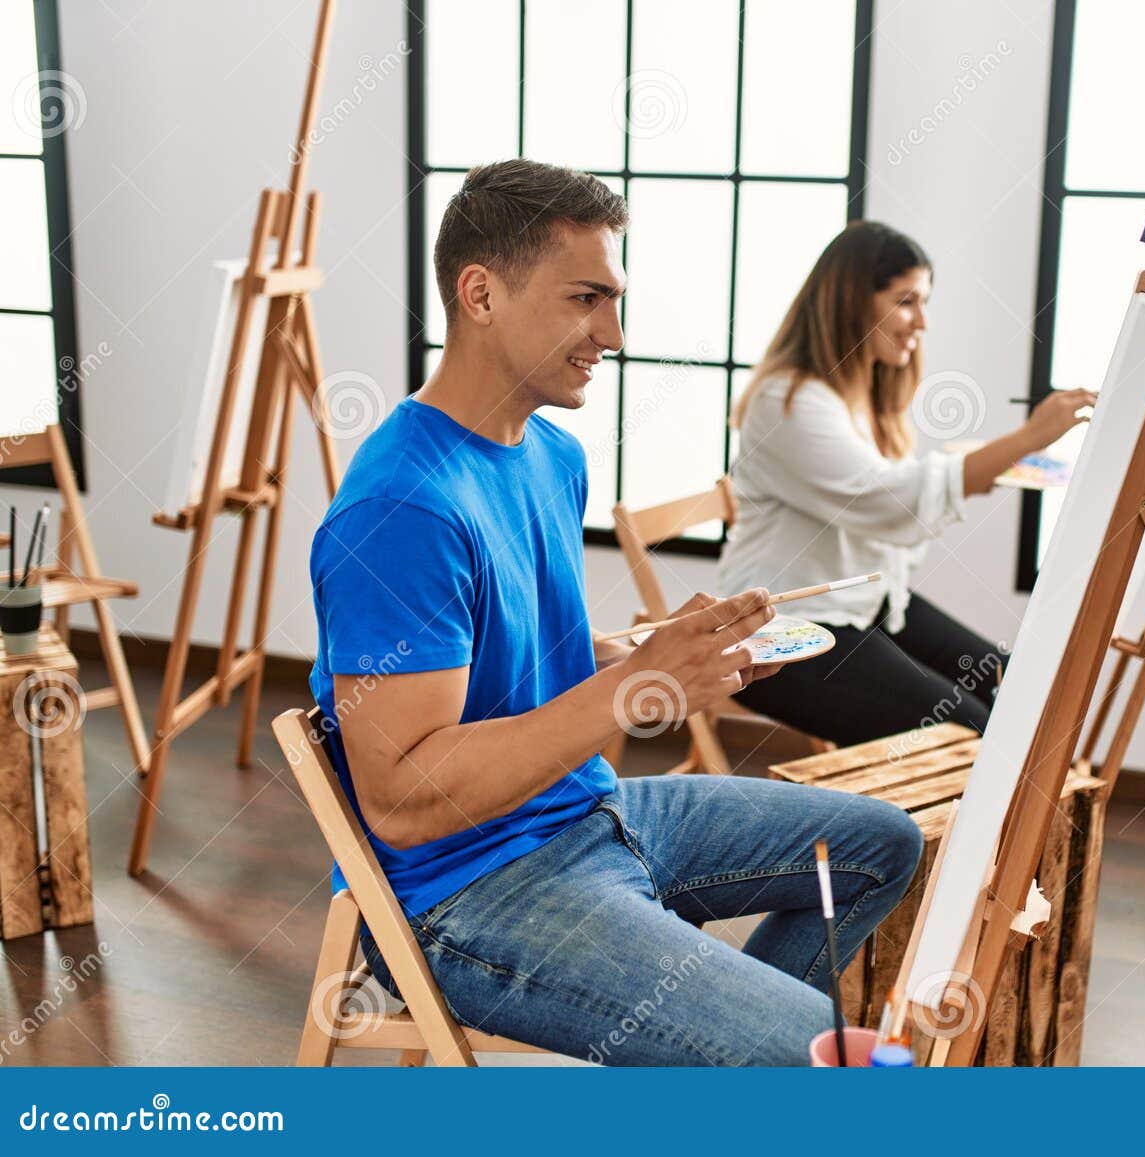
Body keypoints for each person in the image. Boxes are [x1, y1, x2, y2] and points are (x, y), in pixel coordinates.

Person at [307, 160, 922, 1066]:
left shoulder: (551, 454)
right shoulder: (402, 508)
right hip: (470, 891)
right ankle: (766, 1058)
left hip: (585, 810)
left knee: (881, 842)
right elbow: (402, 800)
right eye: (586, 299)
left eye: (615, 298)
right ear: (480, 293)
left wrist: (650, 656)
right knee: (820, 1060)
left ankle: (732, 1057)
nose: (616, 334)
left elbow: (515, 670)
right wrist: (634, 687)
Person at [719, 221, 1094, 747]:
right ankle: (919, 828)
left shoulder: (859, 397)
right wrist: (1028, 439)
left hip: (868, 607)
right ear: (853, 301)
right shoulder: (788, 403)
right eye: (906, 301)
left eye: (924, 302)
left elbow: (895, 498)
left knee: (1012, 683)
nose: (922, 321)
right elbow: (889, 503)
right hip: (783, 632)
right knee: (967, 732)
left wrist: (982, 468)